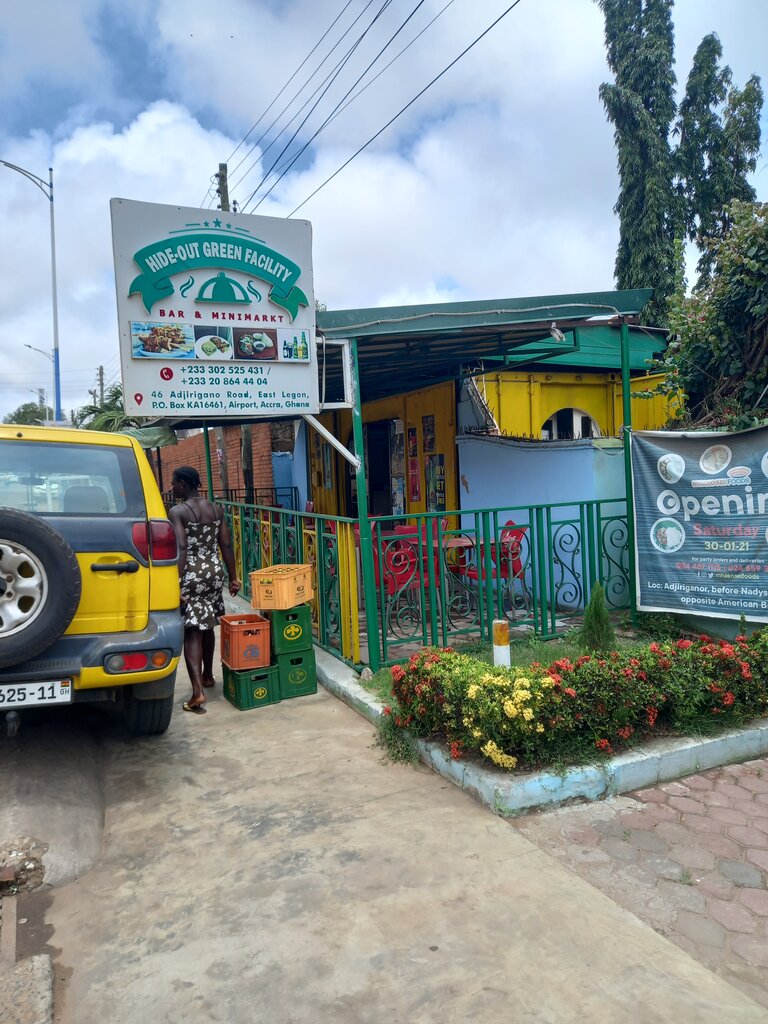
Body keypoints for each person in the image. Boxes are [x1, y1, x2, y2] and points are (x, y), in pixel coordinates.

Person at [168, 466, 240, 714]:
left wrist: (177, 582)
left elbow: (181, 547)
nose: (172, 487)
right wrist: (233, 577)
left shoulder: (177, 512)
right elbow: (226, 544)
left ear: (184, 484)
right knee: (207, 623)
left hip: (191, 574)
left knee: (192, 632)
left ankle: (197, 692)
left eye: (174, 483)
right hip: (213, 571)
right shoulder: (216, 509)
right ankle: (208, 676)